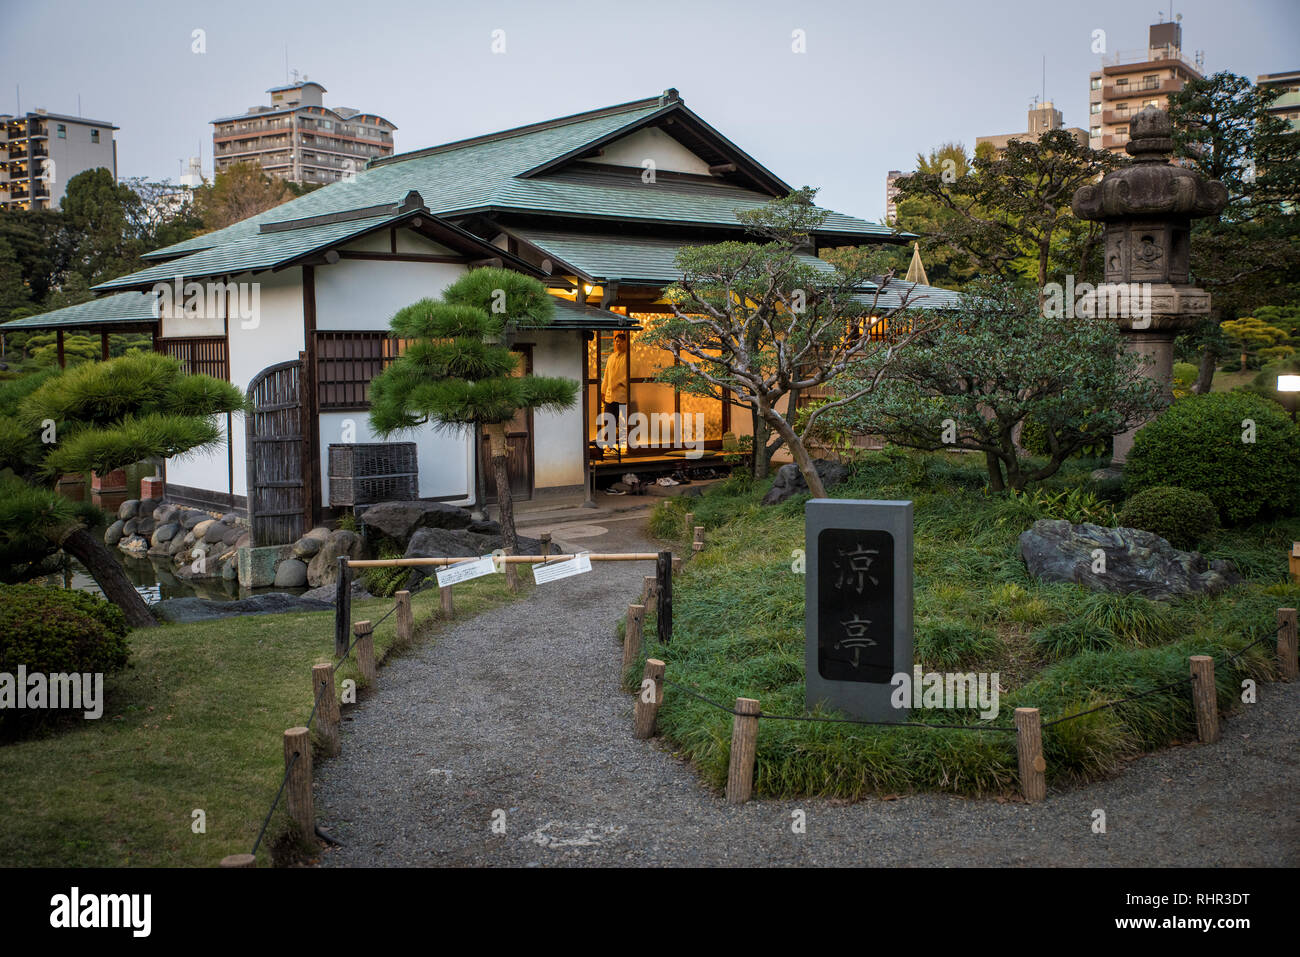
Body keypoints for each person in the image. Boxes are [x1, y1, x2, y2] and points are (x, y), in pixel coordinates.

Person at [601, 332, 629, 450]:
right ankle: (610, 444)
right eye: (616, 341)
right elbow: (606, 375)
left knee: (623, 422)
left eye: (621, 341)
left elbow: (630, 375)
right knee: (609, 420)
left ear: (626, 342)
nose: (618, 344)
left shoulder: (629, 357)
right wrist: (603, 391)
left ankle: (624, 445)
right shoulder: (611, 357)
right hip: (610, 395)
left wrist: (620, 382)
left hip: (622, 395)